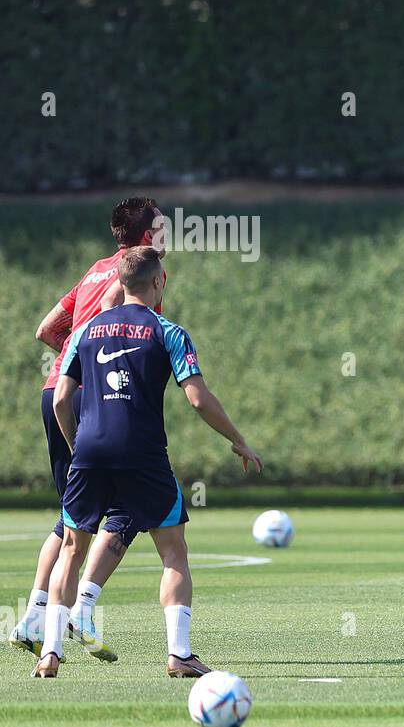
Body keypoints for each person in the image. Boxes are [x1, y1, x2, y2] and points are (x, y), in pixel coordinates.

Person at [33, 247, 262, 678]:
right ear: (157, 283)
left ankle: (50, 653)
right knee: (173, 550)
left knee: (72, 547)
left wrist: (78, 445)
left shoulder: (85, 332)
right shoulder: (167, 331)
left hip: (89, 453)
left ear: (120, 283)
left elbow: (62, 398)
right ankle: (178, 654)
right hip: (143, 456)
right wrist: (238, 440)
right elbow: (197, 398)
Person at [9, 197, 168, 662]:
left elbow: (46, 329)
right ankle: (82, 609)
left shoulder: (96, 268)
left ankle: (32, 619)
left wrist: (74, 357)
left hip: (55, 388)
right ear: (146, 237)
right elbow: (116, 318)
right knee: (131, 504)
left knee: (72, 516)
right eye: (162, 227)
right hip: (94, 394)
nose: (167, 235)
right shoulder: (141, 270)